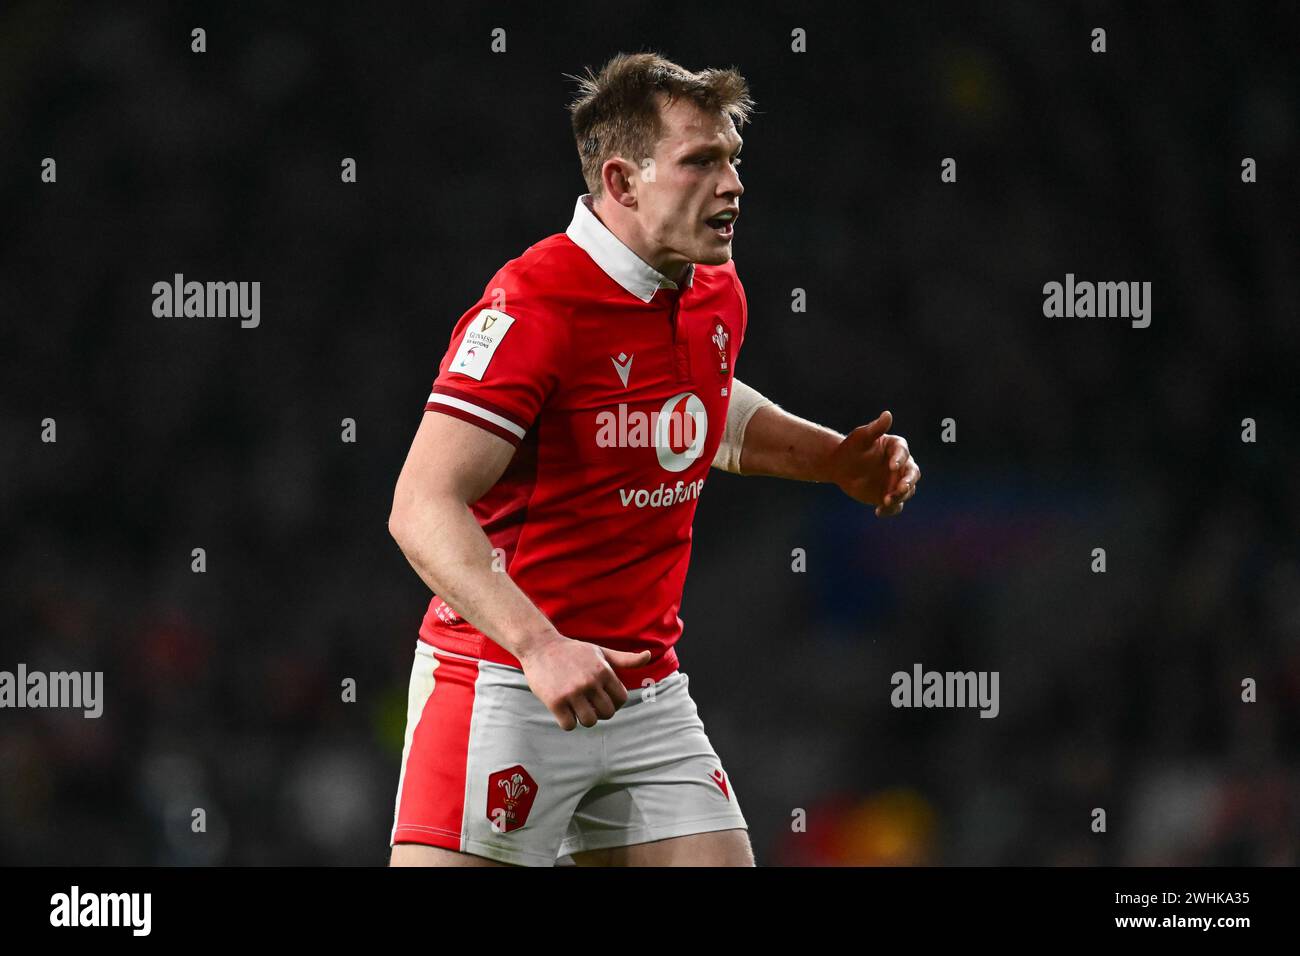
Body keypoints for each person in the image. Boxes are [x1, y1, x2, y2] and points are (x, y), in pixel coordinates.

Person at [387, 52, 920, 867]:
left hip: (645, 689)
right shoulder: (534, 306)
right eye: (701, 162)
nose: (733, 184)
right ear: (623, 181)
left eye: (734, 159)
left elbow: (702, 405)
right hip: (505, 680)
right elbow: (421, 505)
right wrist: (541, 646)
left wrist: (831, 461)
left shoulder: (714, 290)